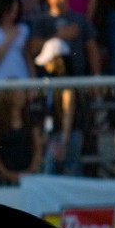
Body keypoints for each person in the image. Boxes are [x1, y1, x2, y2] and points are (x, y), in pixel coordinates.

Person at [35, 37, 92, 177]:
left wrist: (64, 141)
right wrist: (47, 134)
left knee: (69, 172)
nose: (46, 65)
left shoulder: (66, 85)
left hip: (67, 135)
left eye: (49, 60)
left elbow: (68, 112)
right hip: (59, 134)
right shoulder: (54, 83)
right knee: (56, 172)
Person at [32, 0, 103, 77]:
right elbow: (33, 48)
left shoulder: (80, 19)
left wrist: (96, 76)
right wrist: (59, 36)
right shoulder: (41, 21)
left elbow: (92, 48)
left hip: (78, 78)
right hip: (49, 80)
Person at [0, 87, 44, 185]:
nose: (23, 95)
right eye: (19, 92)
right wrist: (7, 174)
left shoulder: (30, 119)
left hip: (28, 177)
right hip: (3, 178)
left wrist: (30, 171)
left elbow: (38, 147)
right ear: (9, 96)